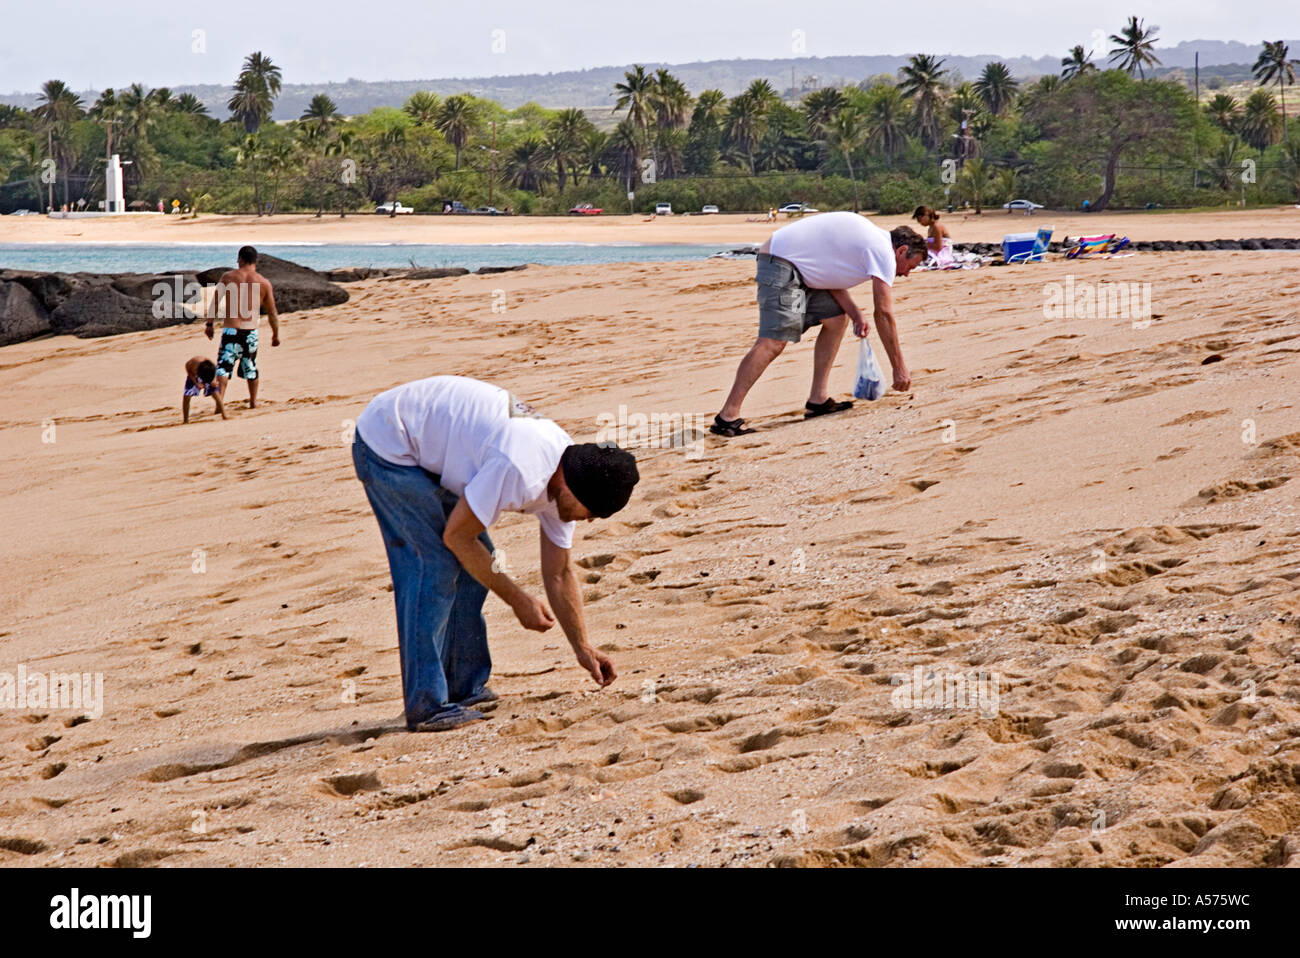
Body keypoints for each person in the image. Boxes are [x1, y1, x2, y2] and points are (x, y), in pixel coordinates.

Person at [352, 375, 640, 732]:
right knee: (435, 568)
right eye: (592, 511)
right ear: (572, 488)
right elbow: (457, 538)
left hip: (436, 447)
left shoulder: (568, 479)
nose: (591, 520)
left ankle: (465, 687)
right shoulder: (521, 467)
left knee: (477, 570)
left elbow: (559, 573)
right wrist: (518, 599)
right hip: (388, 442)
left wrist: (582, 648)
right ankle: (426, 706)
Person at [711, 212, 927, 436]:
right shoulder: (882, 250)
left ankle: (818, 400)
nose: (906, 274)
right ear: (901, 251)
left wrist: (854, 313)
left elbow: (827, 273)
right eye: (910, 266)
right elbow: (883, 312)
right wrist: (899, 368)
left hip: (798, 269)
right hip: (781, 265)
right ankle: (727, 416)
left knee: (837, 319)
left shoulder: (871, 240)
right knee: (773, 341)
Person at [205, 245, 280, 408]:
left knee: (224, 368)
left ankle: (221, 402)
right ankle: (253, 401)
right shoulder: (264, 283)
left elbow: (215, 302)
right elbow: (272, 312)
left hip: (231, 330)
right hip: (250, 332)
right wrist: (275, 334)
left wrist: (209, 324)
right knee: (250, 367)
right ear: (255, 261)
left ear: (240, 259)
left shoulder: (228, 277)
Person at [181, 356, 227, 423]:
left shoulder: (209, 364)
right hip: (194, 377)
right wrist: (196, 383)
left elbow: (214, 370)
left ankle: (224, 415)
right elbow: (189, 373)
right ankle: (185, 420)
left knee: (216, 394)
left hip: (207, 373)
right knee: (186, 396)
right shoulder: (191, 364)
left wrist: (213, 380)